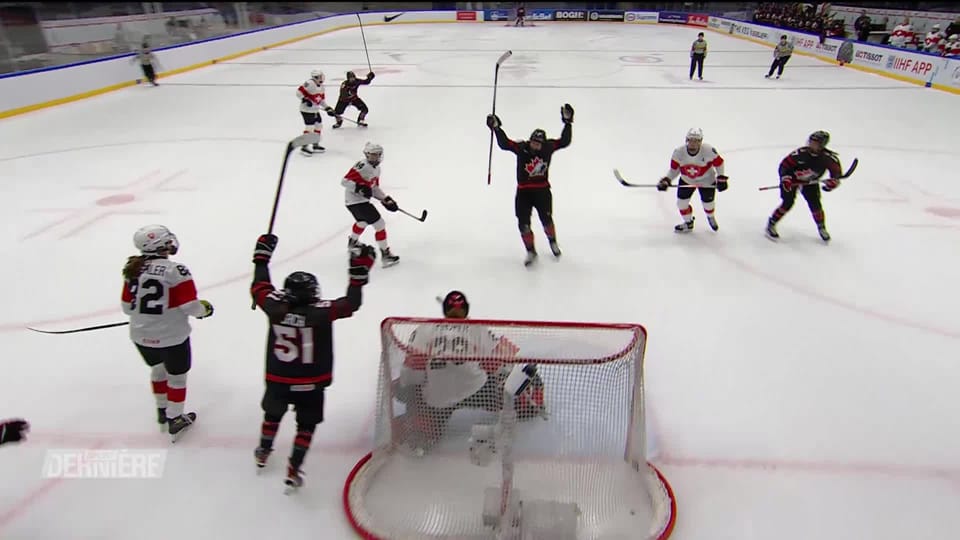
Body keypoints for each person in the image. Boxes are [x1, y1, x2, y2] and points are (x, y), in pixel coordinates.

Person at [250, 233, 376, 492]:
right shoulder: (320, 311)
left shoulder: (275, 307)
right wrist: (357, 275)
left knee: (272, 415)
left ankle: (264, 450)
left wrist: (261, 258)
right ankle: (294, 469)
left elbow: (259, 287)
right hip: (311, 382)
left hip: (278, 378)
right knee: (306, 425)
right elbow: (352, 304)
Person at [393, 291, 543, 455]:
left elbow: (411, 374)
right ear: (466, 310)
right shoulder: (476, 328)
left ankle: (422, 425)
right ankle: (525, 403)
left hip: (438, 398)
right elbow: (499, 363)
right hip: (476, 390)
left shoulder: (424, 329)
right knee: (513, 388)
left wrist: (405, 389)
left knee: (404, 389)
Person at [121, 225, 214, 441]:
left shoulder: (133, 269)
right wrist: (205, 310)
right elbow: (190, 306)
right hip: (172, 336)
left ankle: (162, 411)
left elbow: (127, 308)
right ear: (160, 245)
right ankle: (175, 417)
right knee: (177, 377)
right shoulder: (176, 271)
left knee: (158, 369)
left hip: (140, 336)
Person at [487, 104, 574, 266]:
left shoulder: (548, 147)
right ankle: (531, 251)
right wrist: (497, 128)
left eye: (538, 144)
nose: (535, 146)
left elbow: (565, 141)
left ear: (543, 144)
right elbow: (505, 144)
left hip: (542, 191)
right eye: (533, 142)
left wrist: (568, 123)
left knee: (546, 220)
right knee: (523, 224)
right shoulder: (522, 148)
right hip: (523, 192)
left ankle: (553, 241)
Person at [765, 131, 843, 242]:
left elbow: (836, 175)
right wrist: (786, 178)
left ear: (822, 145)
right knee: (787, 203)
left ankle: (821, 227)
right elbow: (784, 165)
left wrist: (832, 184)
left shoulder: (829, 158)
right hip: (792, 180)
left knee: (815, 204)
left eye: (815, 143)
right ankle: (772, 223)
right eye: (811, 142)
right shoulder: (800, 153)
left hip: (810, 182)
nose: (812, 145)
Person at [342, 142, 401, 267]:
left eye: (378, 155)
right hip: (355, 201)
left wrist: (386, 200)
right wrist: (359, 188)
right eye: (373, 155)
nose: (375, 157)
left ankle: (353, 243)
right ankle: (386, 255)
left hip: (356, 202)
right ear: (367, 155)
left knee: (362, 222)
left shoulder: (377, 169)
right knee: (380, 224)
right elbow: (345, 181)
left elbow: (373, 188)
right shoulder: (363, 165)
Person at [657, 128, 728, 233]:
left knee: (708, 204)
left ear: (701, 141)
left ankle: (710, 216)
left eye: (696, 141)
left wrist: (721, 177)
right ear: (687, 140)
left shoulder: (708, 150)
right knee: (681, 204)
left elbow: (719, 163)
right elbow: (674, 170)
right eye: (691, 140)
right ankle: (688, 222)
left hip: (706, 180)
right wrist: (667, 180)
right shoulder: (678, 152)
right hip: (687, 180)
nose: (693, 143)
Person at [295, 69, 335, 156]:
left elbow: (321, 100)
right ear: (315, 77)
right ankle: (304, 147)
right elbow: (298, 92)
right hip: (306, 110)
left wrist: (327, 108)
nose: (321, 78)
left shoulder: (321, 87)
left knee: (318, 126)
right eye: (320, 76)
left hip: (315, 110)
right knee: (310, 128)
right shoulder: (309, 83)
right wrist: (304, 99)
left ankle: (315, 144)